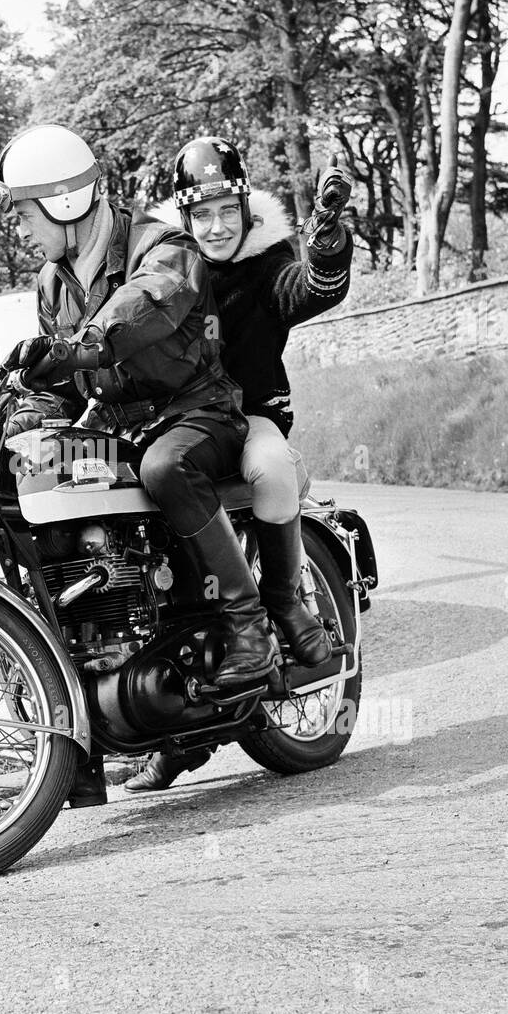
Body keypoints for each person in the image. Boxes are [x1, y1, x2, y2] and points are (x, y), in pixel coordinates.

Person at [0, 123, 273, 808]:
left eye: (23, 213)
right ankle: (86, 721)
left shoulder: (160, 245)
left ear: (62, 201)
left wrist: (81, 346)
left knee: (164, 469)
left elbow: (143, 306)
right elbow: (57, 378)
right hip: (118, 426)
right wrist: (13, 411)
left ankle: (247, 627)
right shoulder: (52, 282)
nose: (19, 230)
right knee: (38, 501)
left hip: (194, 412)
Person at [126, 136, 354, 793]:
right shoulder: (163, 266)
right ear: (184, 218)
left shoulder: (264, 261)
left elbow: (305, 289)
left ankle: (284, 605)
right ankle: (167, 728)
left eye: (227, 210)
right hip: (172, 428)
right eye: (202, 215)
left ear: (245, 206)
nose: (216, 226)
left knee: (272, 466)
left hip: (247, 416)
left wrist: (328, 240)